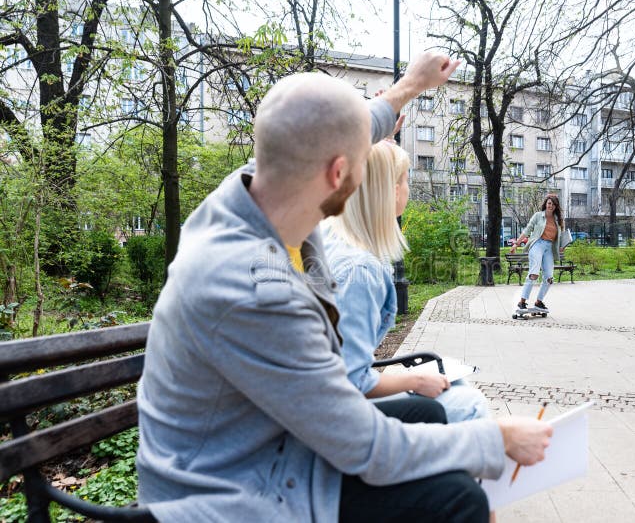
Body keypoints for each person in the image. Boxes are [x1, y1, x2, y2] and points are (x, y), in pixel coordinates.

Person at [136, 52, 552, 523]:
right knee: (459, 499)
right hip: (232, 487)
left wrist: (408, 88)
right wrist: (497, 440)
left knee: (429, 420)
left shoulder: (259, 188)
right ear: (339, 173)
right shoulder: (255, 289)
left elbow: (348, 129)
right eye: (363, 160)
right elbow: (367, 448)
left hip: (266, 438)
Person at [324, 141, 489, 423]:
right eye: (404, 180)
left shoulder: (330, 233)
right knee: (470, 404)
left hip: (317, 397)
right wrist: (412, 381)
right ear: (389, 191)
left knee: (456, 384)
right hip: (331, 414)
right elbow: (349, 381)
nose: (408, 189)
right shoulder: (360, 271)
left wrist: (379, 140)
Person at [510, 193, 564, 311]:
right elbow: (527, 230)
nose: (551, 206)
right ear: (546, 204)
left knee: (549, 278)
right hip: (537, 245)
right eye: (549, 203)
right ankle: (522, 302)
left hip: (549, 248)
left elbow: (559, 236)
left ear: (556, 207)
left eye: (554, 204)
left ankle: (539, 302)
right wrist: (516, 244)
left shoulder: (557, 220)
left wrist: (562, 246)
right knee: (534, 273)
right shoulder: (538, 216)